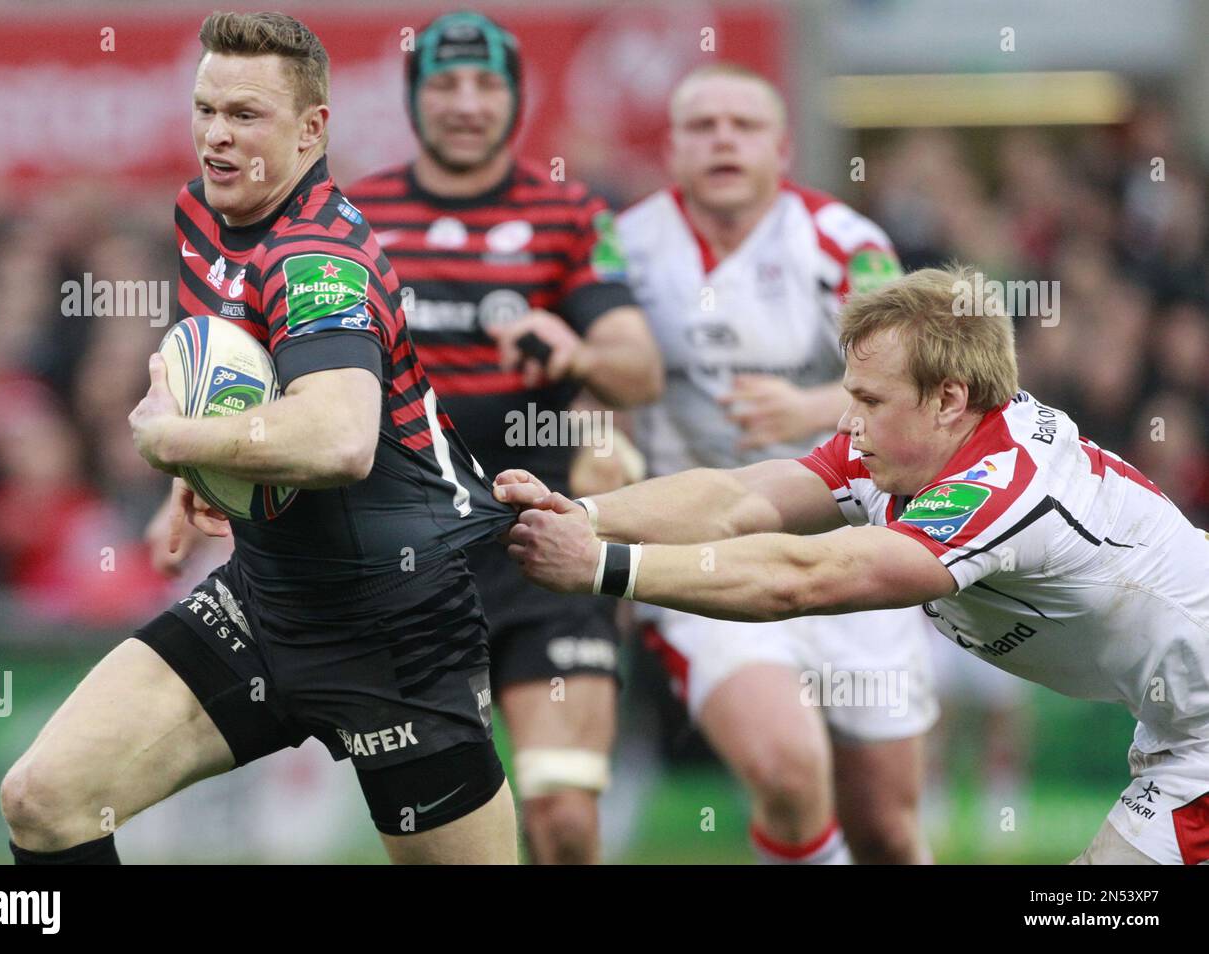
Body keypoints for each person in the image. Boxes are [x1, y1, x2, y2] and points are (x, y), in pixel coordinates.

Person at [0, 10, 520, 865]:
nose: (215, 135)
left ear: (314, 130)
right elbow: (245, 371)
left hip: (395, 629)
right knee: (44, 801)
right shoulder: (202, 214)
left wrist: (174, 440)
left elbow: (342, 435)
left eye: (245, 116)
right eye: (205, 109)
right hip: (264, 603)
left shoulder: (319, 257)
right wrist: (205, 466)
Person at [497, 264, 1209, 865]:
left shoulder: (1002, 486)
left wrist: (601, 568)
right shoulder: (912, 445)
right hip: (1178, 722)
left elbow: (802, 580)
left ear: (948, 399)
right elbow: (736, 498)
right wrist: (582, 514)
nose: (846, 422)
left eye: (868, 400)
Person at [345, 11, 663, 863]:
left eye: (487, 85)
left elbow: (639, 369)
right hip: (404, 553)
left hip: (537, 537)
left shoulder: (568, 212)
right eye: (444, 84)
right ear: (414, 100)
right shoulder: (350, 217)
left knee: (561, 816)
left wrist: (579, 347)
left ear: (516, 102)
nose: (466, 103)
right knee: (446, 840)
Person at [615, 62, 935, 864]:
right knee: (790, 775)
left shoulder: (844, 243)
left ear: (783, 147)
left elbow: (916, 386)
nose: (724, 139)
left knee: (888, 833)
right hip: (702, 549)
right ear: (671, 148)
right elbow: (592, 378)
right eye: (702, 125)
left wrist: (809, 410)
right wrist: (596, 451)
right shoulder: (621, 247)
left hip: (850, 545)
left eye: (744, 125)